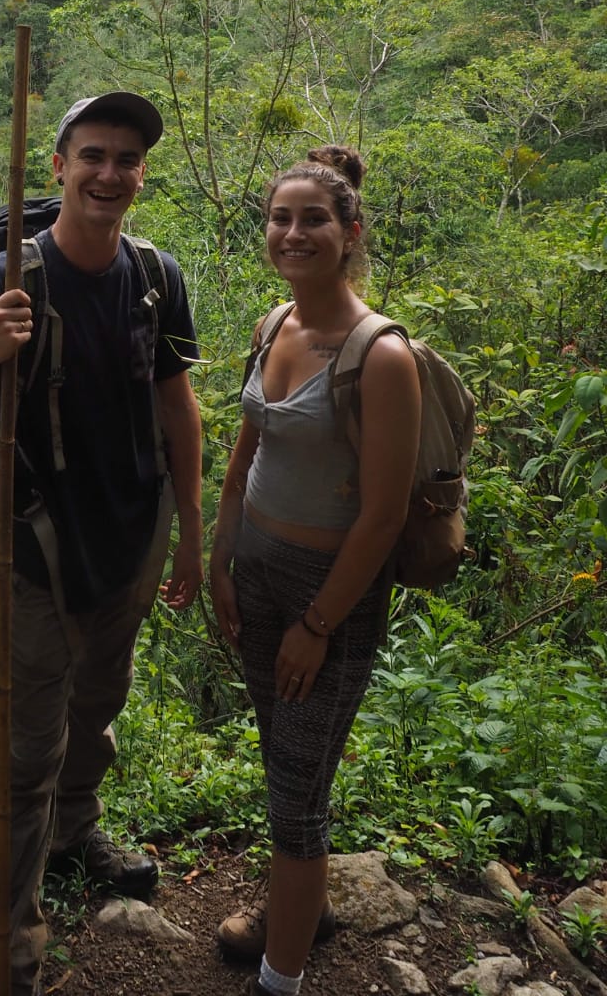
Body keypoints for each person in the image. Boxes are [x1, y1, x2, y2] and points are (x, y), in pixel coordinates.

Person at [0, 91, 204, 996]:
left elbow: (176, 407)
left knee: (99, 699)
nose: (110, 173)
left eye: (127, 159)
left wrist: (193, 533)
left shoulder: (156, 273)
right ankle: (8, 937)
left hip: (134, 529)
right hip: (41, 541)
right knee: (30, 738)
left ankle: (77, 829)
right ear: (57, 167)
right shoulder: (3, 282)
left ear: (141, 174)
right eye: (93, 155)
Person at [208, 148, 422, 996]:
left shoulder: (380, 356)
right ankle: (305, 910)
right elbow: (245, 449)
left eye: (314, 219)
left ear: (351, 232)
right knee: (286, 759)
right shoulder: (273, 324)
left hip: (325, 592)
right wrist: (221, 556)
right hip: (256, 573)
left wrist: (318, 622)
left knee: (298, 793)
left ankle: (280, 976)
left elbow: (384, 515)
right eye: (280, 217)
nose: (293, 232)